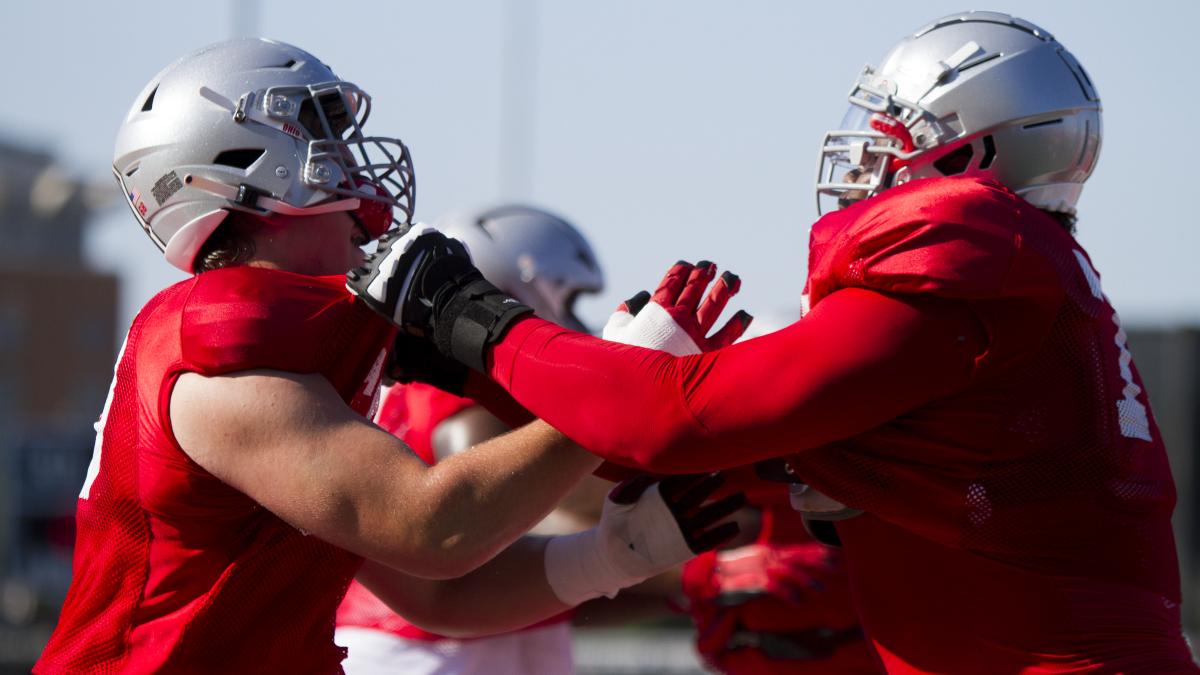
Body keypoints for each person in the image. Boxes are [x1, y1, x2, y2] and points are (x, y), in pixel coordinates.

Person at [349, 11, 1200, 673]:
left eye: (892, 128)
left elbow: (672, 422)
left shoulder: (973, 263)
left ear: (966, 153)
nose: (866, 148)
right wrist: (485, 375)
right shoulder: (1015, 294)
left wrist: (472, 317)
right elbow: (693, 453)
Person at [35, 39, 742, 674]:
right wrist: (610, 389)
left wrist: (611, 556)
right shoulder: (219, 360)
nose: (353, 164)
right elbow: (433, 527)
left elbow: (437, 591)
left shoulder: (303, 342)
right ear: (238, 167)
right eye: (321, 135)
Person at [336, 205, 610, 675]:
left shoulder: (412, 382)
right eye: (571, 298)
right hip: (429, 642)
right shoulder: (455, 387)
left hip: (442, 631)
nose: (577, 320)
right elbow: (487, 521)